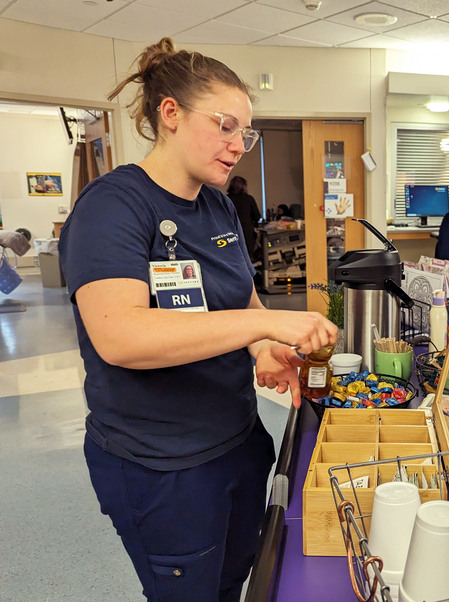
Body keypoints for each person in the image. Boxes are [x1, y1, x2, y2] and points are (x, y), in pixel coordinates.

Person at [58, 38, 337, 602]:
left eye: (245, 133)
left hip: (235, 439)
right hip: (163, 466)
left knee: (235, 581)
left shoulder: (217, 205)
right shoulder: (114, 207)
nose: (238, 146)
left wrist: (262, 346)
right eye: (226, 127)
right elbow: (122, 337)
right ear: (170, 115)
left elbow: (243, 298)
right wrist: (267, 329)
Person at [227, 175, 261, 262]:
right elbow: (257, 216)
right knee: (248, 260)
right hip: (247, 233)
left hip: (229, 232)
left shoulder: (226, 199)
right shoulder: (249, 199)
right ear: (244, 186)